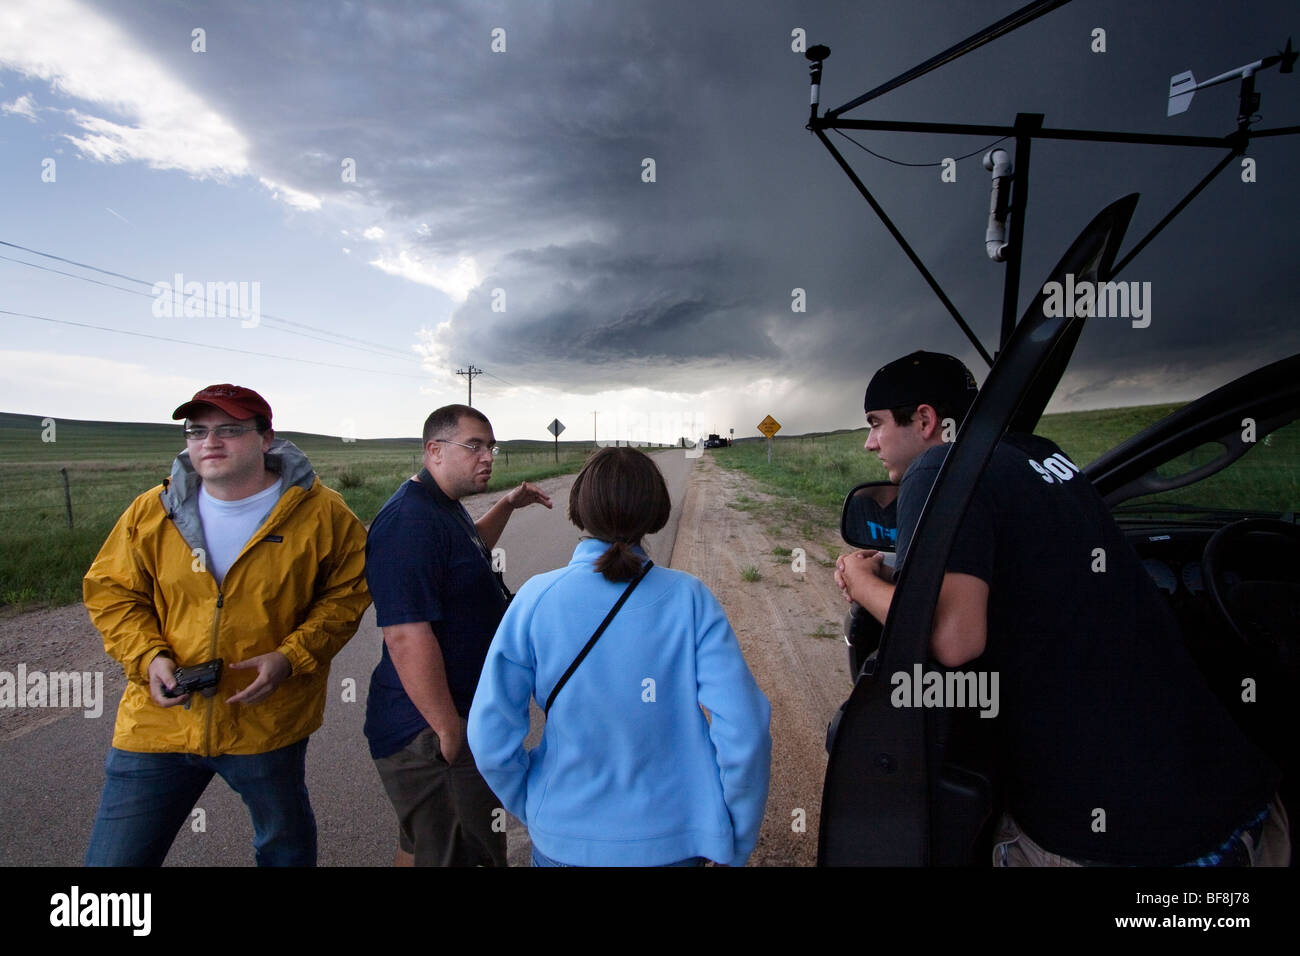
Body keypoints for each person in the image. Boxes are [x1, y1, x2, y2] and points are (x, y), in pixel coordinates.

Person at [835, 350, 1287, 867]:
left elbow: (953, 639)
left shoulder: (937, 468)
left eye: (875, 425)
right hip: (1245, 806)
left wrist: (859, 578)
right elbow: (1027, 569)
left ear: (924, 420)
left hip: (1127, 841)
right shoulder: (1041, 456)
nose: (871, 442)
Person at [83, 384, 370, 866]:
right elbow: (112, 591)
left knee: (284, 847)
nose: (210, 442)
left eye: (230, 430)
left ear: (265, 438)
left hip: (264, 720)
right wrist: (148, 657)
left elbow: (348, 594)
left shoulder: (322, 513)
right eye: (197, 431)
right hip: (159, 723)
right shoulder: (152, 511)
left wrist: (290, 657)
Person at [468, 446, 772, 867]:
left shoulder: (536, 598)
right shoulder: (691, 599)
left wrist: (536, 803)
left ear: (579, 508)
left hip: (564, 842)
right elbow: (745, 728)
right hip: (676, 841)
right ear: (655, 512)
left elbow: (488, 736)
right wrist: (735, 839)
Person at [363, 404, 552, 867]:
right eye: (475, 446)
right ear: (435, 451)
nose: (487, 456)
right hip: (430, 728)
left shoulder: (441, 507)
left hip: (442, 720)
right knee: (468, 852)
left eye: (491, 446)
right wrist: (449, 729)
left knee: (425, 842)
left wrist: (506, 504)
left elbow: (467, 554)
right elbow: (406, 636)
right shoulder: (409, 521)